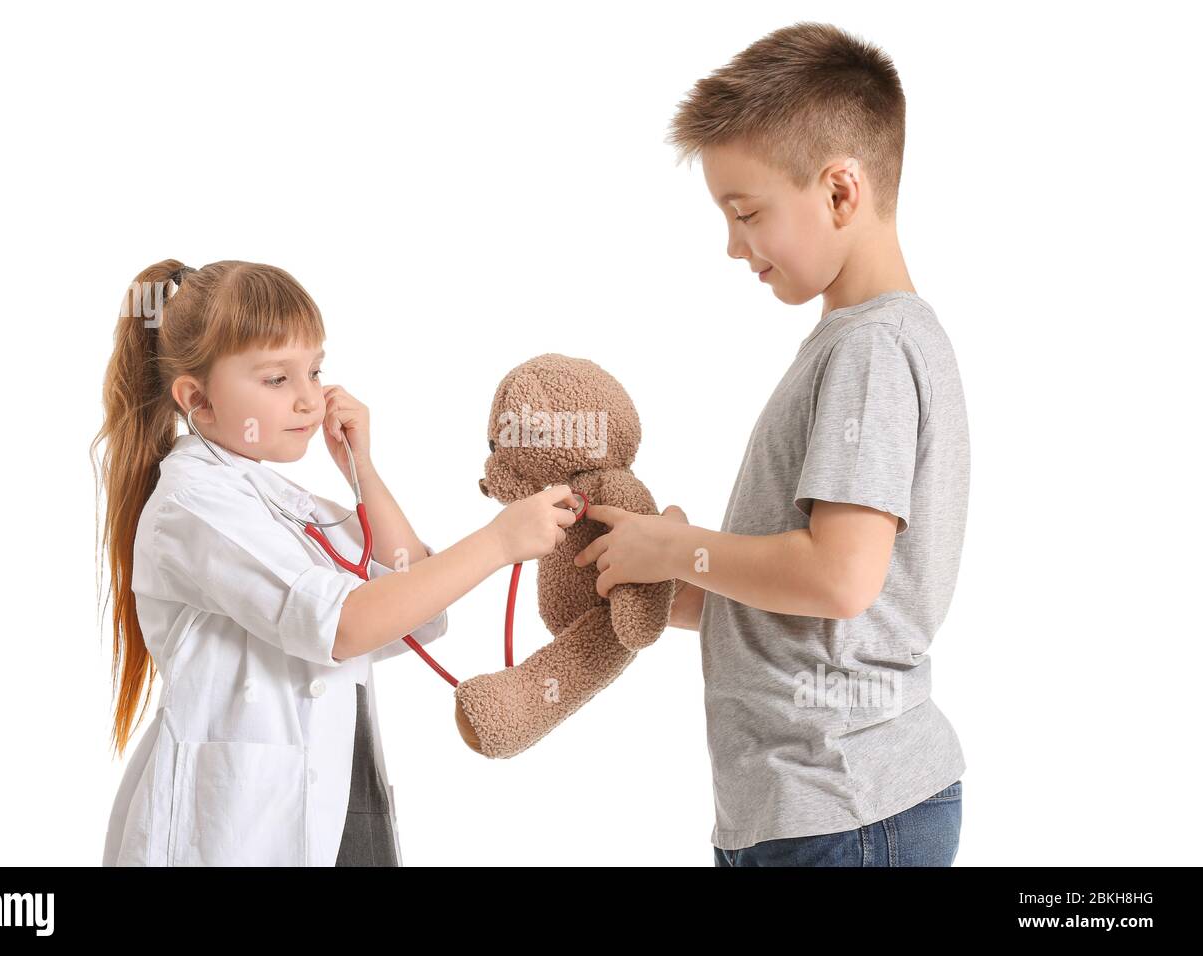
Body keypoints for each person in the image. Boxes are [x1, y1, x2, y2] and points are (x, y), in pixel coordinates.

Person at [572, 23, 968, 866]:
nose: (732, 244)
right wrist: (678, 585)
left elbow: (840, 576)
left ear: (839, 193)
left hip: (845, 804)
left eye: (746, 212)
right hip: (808, 806)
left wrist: (682, 549)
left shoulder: (871, 351)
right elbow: (826, 603)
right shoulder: (855, 345)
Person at [94, 258, 578, 866]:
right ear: (200, 401)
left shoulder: (288, 505)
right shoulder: (195, 504)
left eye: (316, 369)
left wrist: (360, 469)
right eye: (276, 379)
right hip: (245, 830)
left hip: (344, 806)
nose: (309, 397)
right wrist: (499, 542)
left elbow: (412, 607)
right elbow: (344, 625)